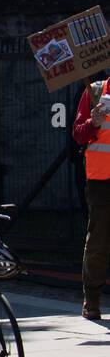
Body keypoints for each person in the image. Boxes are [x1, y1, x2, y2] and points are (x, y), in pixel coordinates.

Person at [75, 71, 110, 321]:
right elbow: (78, 134)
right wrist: (93, 122)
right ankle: (92, 299)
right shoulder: (95, 91)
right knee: (99, 239)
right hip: (101, 179)